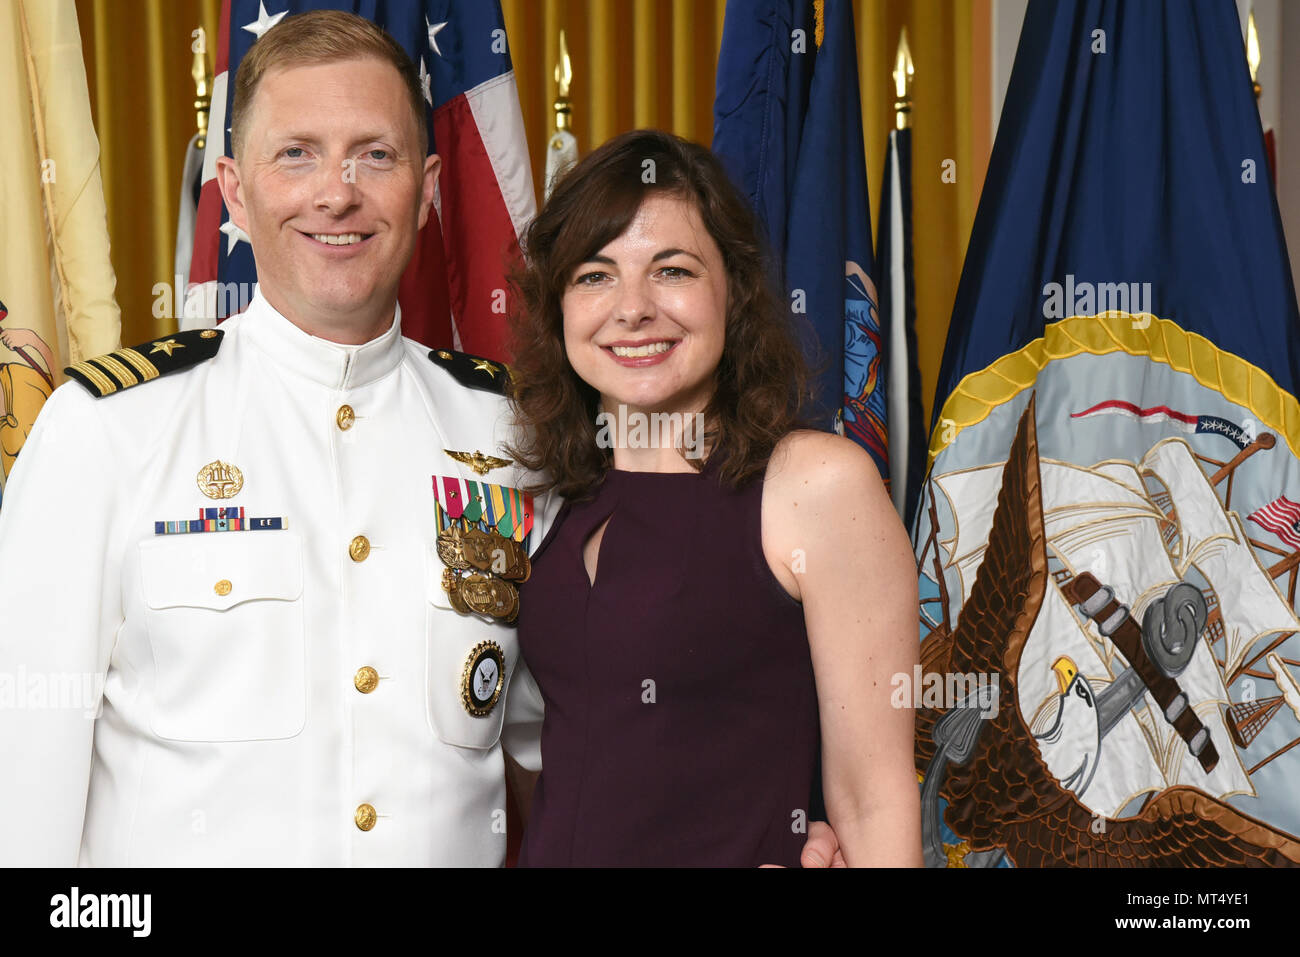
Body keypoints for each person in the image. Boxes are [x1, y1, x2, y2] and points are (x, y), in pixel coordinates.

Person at [0, 11, 842, 869]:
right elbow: (20, 794)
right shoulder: (107, 431)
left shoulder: (515, 434)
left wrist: (763, 828)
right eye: (296, 153)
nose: (338, 192)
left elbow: (594, 733)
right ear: (235, 192)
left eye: (377, 154)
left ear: (430, 186)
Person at [507, 129, 923, 866]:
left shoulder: (815, 486)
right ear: (559, 305)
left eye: (671, 270)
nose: (632, 308)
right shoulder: (547, 491)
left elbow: (874, 798)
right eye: (595, 276)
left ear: (733, 289)